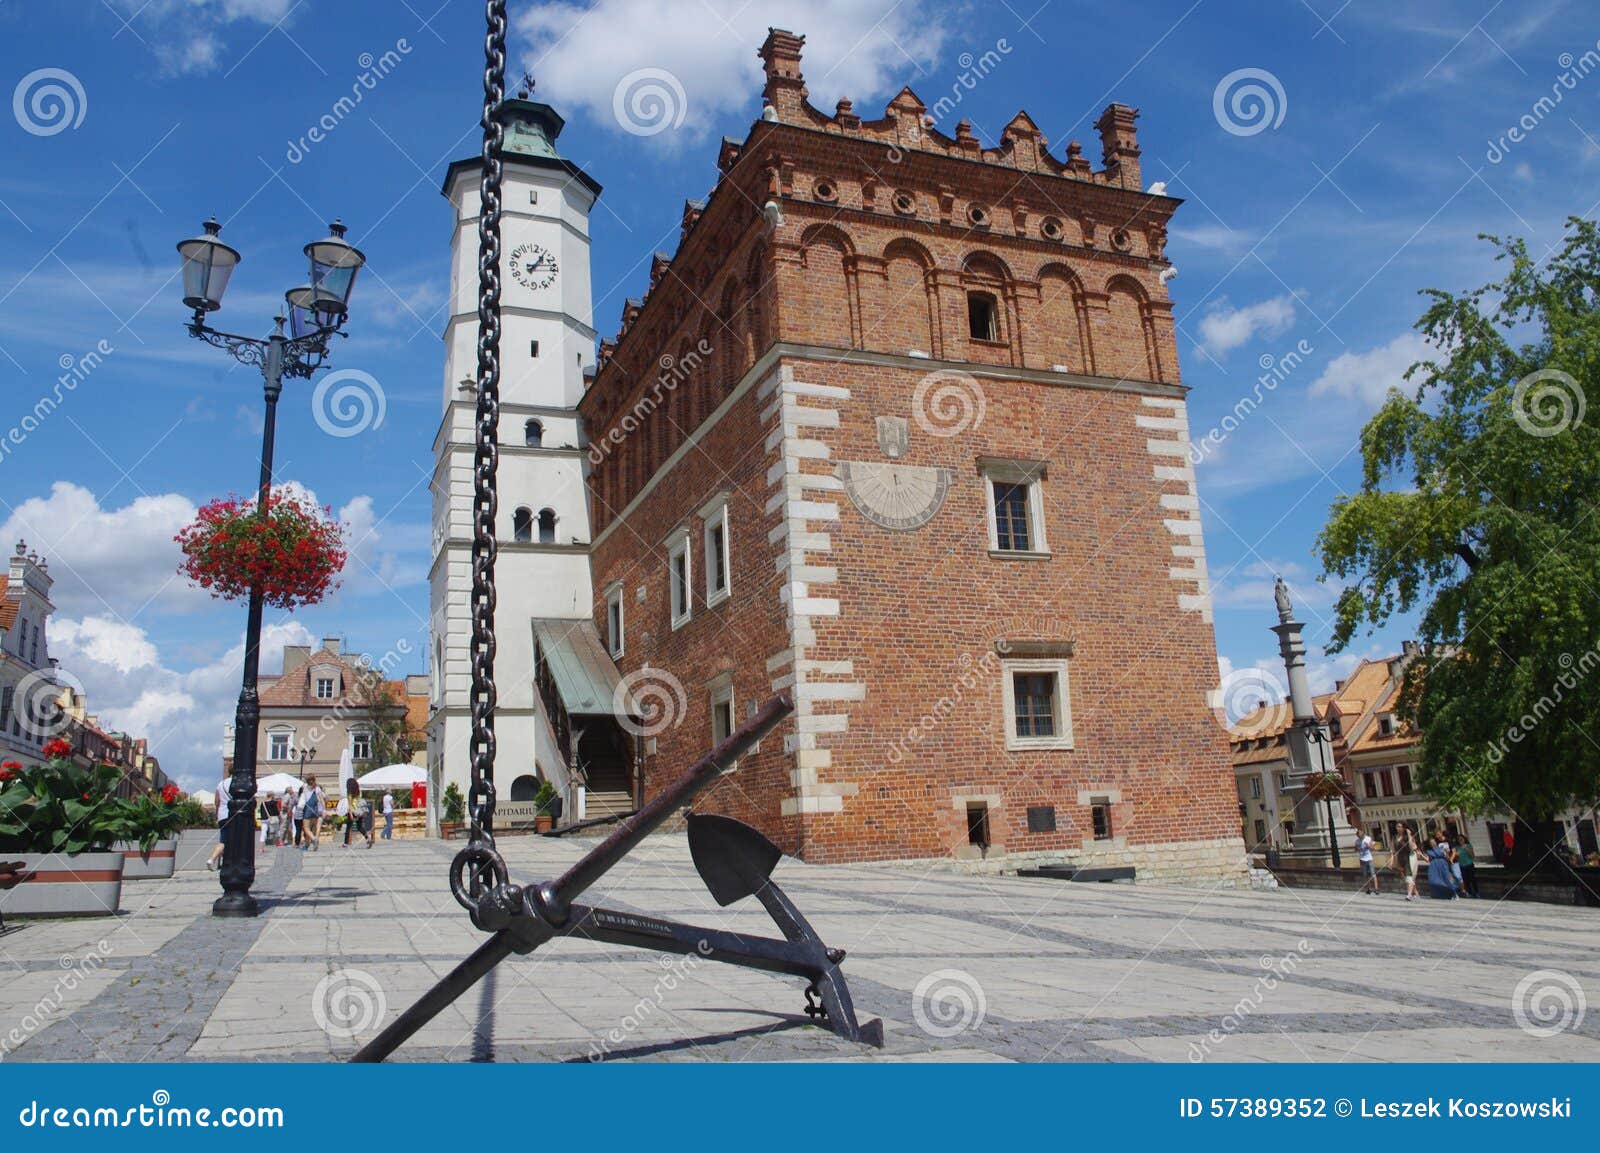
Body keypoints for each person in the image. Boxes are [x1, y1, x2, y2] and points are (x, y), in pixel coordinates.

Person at [206, 774, 232, 871]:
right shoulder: (236, 783)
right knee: (228, 841)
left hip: (222, 815)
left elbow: (217, 801)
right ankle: (212, 859)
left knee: (224, 840)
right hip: (232, 814)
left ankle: (224, 861)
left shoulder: (221, 784)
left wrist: (217, 813)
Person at [1390, 826, 1420, 901]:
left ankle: (1409, 895)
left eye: (1400, 827)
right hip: (1400, 858)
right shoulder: (1394, 838)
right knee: (1405, 877)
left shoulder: (1408, 837)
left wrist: (1409, 834)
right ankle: (1415, 893)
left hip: (1410, 857)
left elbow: (1413, 847)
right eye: (1397, 826)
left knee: (1409, 876)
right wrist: (1391, 862)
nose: (1398, 828)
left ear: (1404, 828)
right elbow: (1393, 851)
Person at [301, 775, 324, 851]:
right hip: (315, 810)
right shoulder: (317, 789)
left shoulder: (305, 787)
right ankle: (307, 845)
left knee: (306, 828)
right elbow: (322, 800)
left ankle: (314, 840)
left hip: (308, 809)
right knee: (313, 828)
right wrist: (324, 810)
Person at [1357, 830, 1379, 895]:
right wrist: (1358, 849)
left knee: (1373, 874)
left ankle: (1376, 889)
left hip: (1369, 859)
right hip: (1362, 859)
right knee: (1365, 875)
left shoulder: (1368, 839)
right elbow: (1355, 849)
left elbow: (1373, 848)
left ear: (1363, 834)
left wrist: (1369, 846)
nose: (1359, 836)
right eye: (1358, 835)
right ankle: (1369, 889)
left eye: (1360, 835)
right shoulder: (1357, 841)